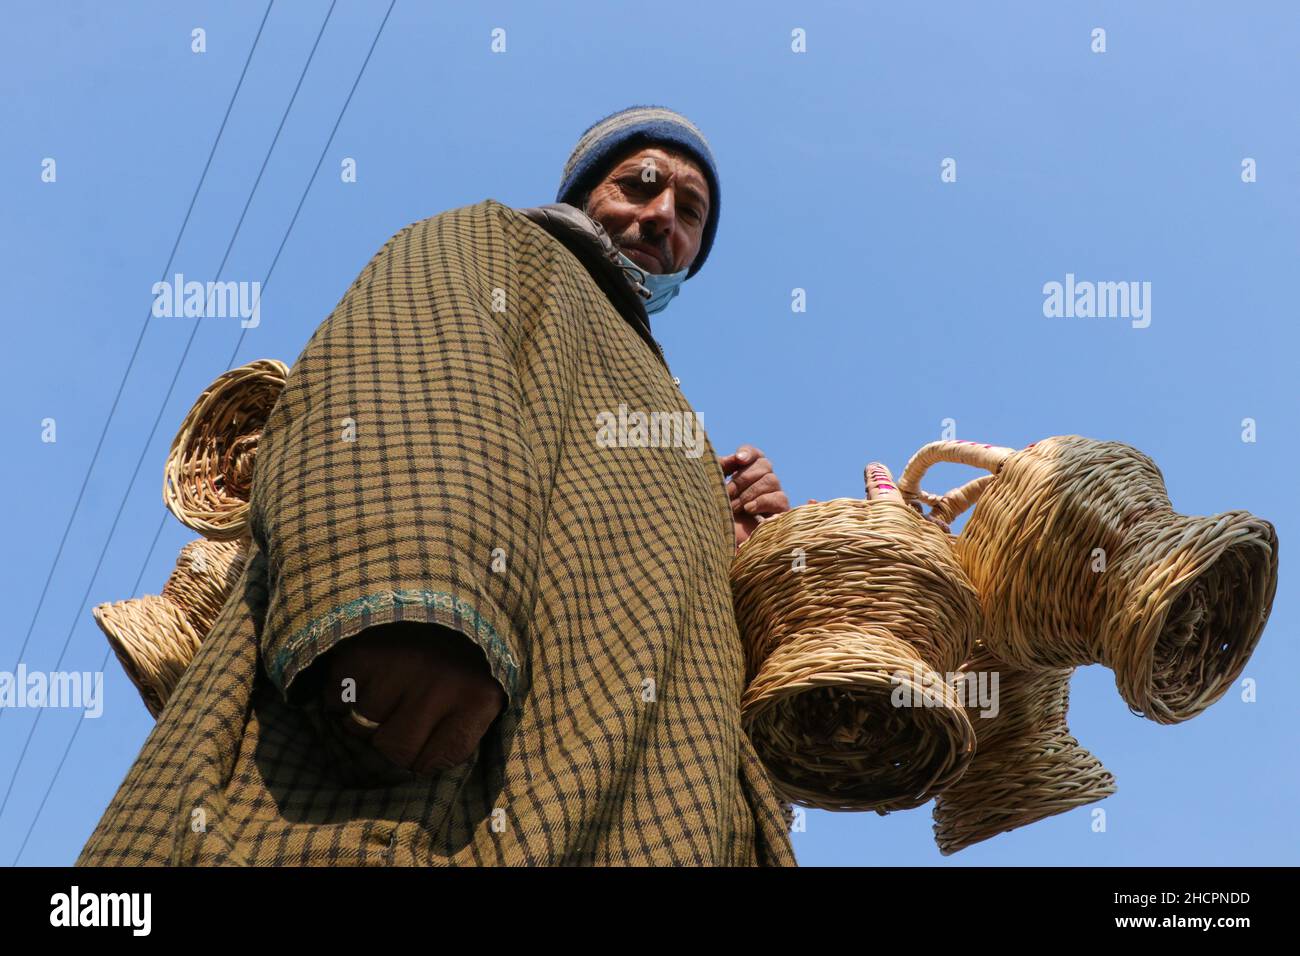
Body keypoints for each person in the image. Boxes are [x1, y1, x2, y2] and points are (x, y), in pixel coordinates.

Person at [78, 105, 797, 866]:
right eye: (640, 186)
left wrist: (742, 555)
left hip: (647, 798)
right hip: (444, 765)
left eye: (690, 214)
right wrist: (415, 606)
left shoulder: (673, 407)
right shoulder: (506, 245)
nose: (662, 220)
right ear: (587, 192)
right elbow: (410, 367)